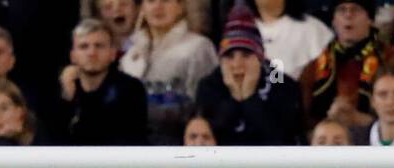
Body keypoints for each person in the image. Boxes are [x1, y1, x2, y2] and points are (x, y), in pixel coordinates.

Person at [194, 4, 304, 146]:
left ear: (260, 58)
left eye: (246, 55)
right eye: (229, 56)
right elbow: (210, 136)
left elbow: (281, 137)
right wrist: (235, 97)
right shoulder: (209, 85)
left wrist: (248, 98)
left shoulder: (281, 81)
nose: (237, 64)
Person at [300, 0, 394, 130]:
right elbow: (303, 119)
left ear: (370, 19)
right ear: (333, 21)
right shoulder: (314, 67)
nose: (348, 15)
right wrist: (329, 123)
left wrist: (363, 121)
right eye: (341, 10)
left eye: (355, 9)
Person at [119, 0, 217, 144]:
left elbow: (205, 110)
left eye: (166, 0)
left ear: (180, 7)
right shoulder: (130, 51)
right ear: (142, 8)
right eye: (151, 1)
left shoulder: (199, 48)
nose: (158, 6)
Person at [57, 18, 149, 145]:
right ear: (73, 56)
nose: (91, 52)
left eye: (99, 46)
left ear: (112, 54)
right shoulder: (63, 90)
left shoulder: (131, 89)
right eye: (84, 47)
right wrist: (67, 97)